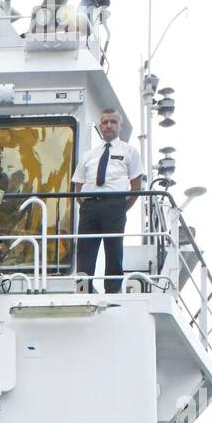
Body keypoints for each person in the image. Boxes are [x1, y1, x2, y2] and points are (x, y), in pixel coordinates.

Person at [72, 108, 143, 293]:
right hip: (90, 206)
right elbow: (78, 184)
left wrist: (122, 207)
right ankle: (82, 291)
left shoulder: (130, 152)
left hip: (115, 204)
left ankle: (113, 290)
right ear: (100, 126)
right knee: (85, 251)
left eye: (113, 122)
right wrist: (87, 204)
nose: (108, 126)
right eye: (105, 122)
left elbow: (136, 186)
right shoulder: (89, 155)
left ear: (120, 125)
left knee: (114, 250)